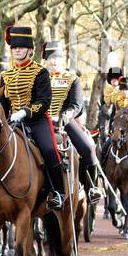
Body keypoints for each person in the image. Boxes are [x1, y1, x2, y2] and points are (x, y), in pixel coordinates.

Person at [0, 25, 64, 210]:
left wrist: (25, 112)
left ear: (30, 50)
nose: (17, 50)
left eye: (21, 47)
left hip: (37, 120)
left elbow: (44, 101)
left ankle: (58, 192)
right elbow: (3, 104)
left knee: (49, 150)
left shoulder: (39, 72)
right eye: (14, 47)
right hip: (12, 122)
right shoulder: (7, 75)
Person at [43, 40, 102, 201]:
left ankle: (91, 188)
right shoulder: (39, 78)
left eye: (56, 57)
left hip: (64, 120)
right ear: (46, 60)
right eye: (50, 58)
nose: (53, 61)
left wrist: (67, 114)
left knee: (88, 147)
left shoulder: (72, 79)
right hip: (42, 121)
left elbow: (76, 104)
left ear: (62, 59)